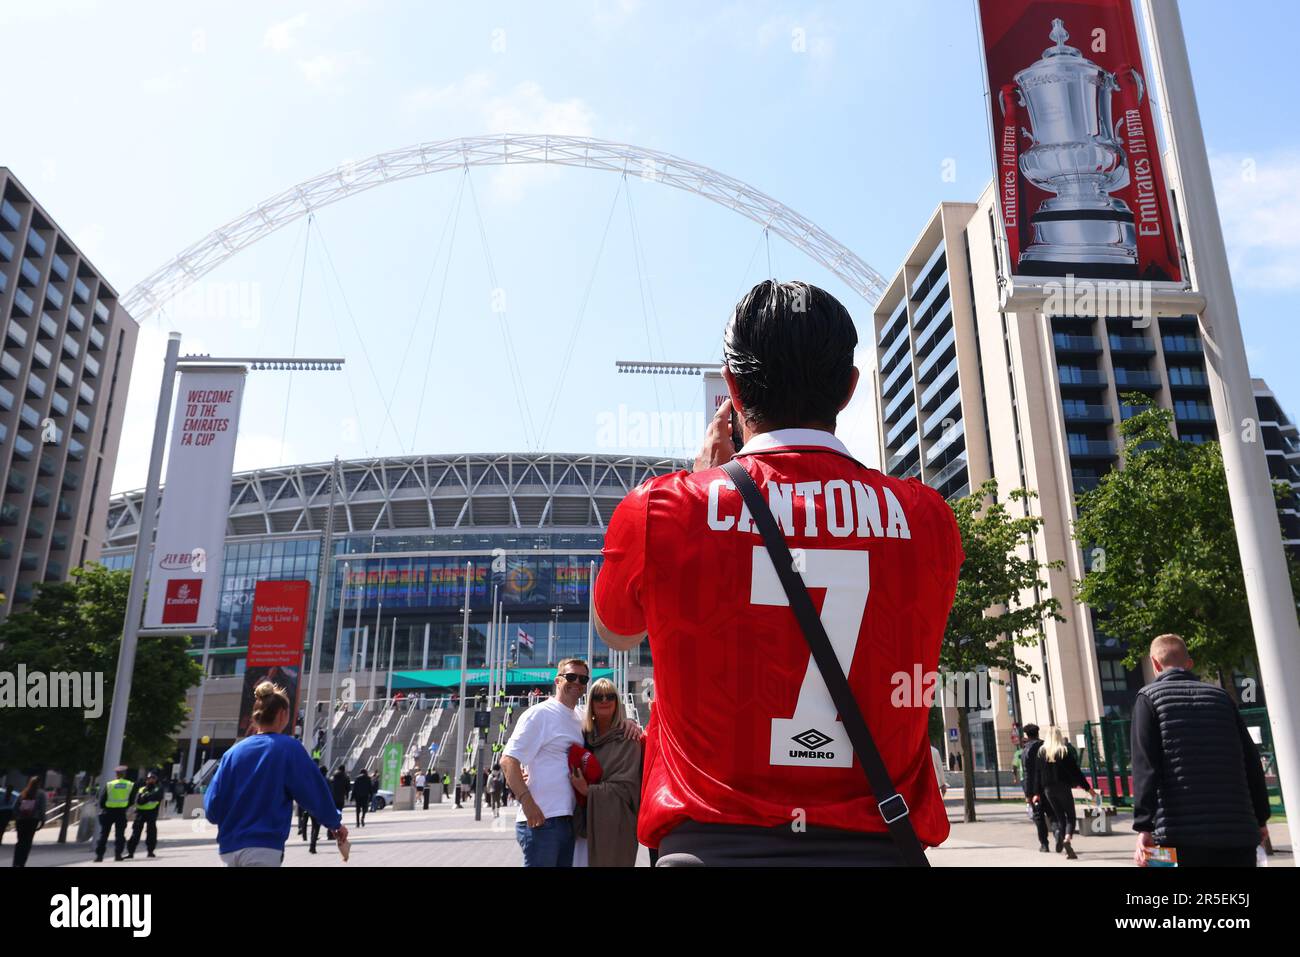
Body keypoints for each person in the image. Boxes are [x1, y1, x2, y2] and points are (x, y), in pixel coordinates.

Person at [594, 280, 963, 866]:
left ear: (732, 388)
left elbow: (617, 630)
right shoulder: (929, 519)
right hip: (878, 846)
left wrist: (700, 486)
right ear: (848, 389)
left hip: (711, 845)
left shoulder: (660, 509)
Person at [1131, 633, 1270, 868]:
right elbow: (1250, 761)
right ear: (1189, 663)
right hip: (1237, 833)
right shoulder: (1223, 698)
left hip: (1177, 835)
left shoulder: (1148, 699)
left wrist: (1144, 826)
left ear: (1154, 664)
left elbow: (1146, 768)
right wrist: (1260, 817)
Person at [204, 681, 347, 867]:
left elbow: (212, 809)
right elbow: (313, 793)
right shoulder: (288, 748)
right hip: (263, 848)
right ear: (282, 714)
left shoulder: (232, 753)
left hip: (228, 850)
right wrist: (335, 823)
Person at [499, 659, 589, 867]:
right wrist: (527, 803)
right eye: (571, 677)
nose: (577, 682)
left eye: (582, 679)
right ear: (558, 680)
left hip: (568, 820)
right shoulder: (540, 714)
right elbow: (508, 760)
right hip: (542, 819)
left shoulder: (579, 718)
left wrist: (629, 722)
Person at [569, 677, 641, 867]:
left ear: (617, 702)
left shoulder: (628, 738)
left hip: (616, 828)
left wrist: (588, 791)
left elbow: (628, 789)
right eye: (598, 697)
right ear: (590, 702)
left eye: (610, 696)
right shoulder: (582, 736)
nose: (604, 701)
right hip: (582, 824)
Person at [1034, 726, 1095, 859]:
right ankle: (1067, 839)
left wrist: (1036, 793)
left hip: (1048, 790)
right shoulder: (1063, 751)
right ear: (1059, 736)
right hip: (1063, 787)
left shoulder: (1041, 752)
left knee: (1060, 817)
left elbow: (1037, 775)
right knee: (1070, 816)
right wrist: (1088, 788)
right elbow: (1076, 772)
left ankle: (1064, 844)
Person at [94, 764, 136, 862]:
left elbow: (102, 800)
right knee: (120, 834)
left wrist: (106, 807)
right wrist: (124, 806)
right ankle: (118, 855)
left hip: (108, 812)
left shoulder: (110, 784)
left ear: (116, 774)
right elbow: (132, 800)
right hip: (121, 812)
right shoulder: (130, 784)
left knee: (104, 834)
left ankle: (99, 856)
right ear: (124, 774)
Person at [1020, 724, 1050, 853]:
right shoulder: (1046, 746)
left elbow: (1027, 773)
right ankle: (1059, 834)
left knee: (1038, 816)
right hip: (1049, 785)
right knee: (1053, 813)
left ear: (1027, 735)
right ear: (1037, 733)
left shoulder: (1026, 750)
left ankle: (1044, 844)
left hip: (1033, 789)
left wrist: (1027, 793)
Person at [125, 770, 165, 859]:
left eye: (152, 778)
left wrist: (145, 797)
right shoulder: (142, 789)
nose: (150, 780)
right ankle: (130, 852)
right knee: (136, 833)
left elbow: (157, 796)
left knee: (151, 833)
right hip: (140, 813)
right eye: (149, 778)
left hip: (152, 813)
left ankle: (150, 851)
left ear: (156, 779)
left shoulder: (158, 788)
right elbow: (138, 800)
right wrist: (146, 797)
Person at [10, 776, 46, 868]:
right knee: (27, 842)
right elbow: (42, 808)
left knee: (20, 842)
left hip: (21, 821)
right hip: (32, 821)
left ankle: (16, 862)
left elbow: (15, 808)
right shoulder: (41, 794)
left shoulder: (23, 792)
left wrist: (18, 817)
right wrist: (42, 820)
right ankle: (22, 862)